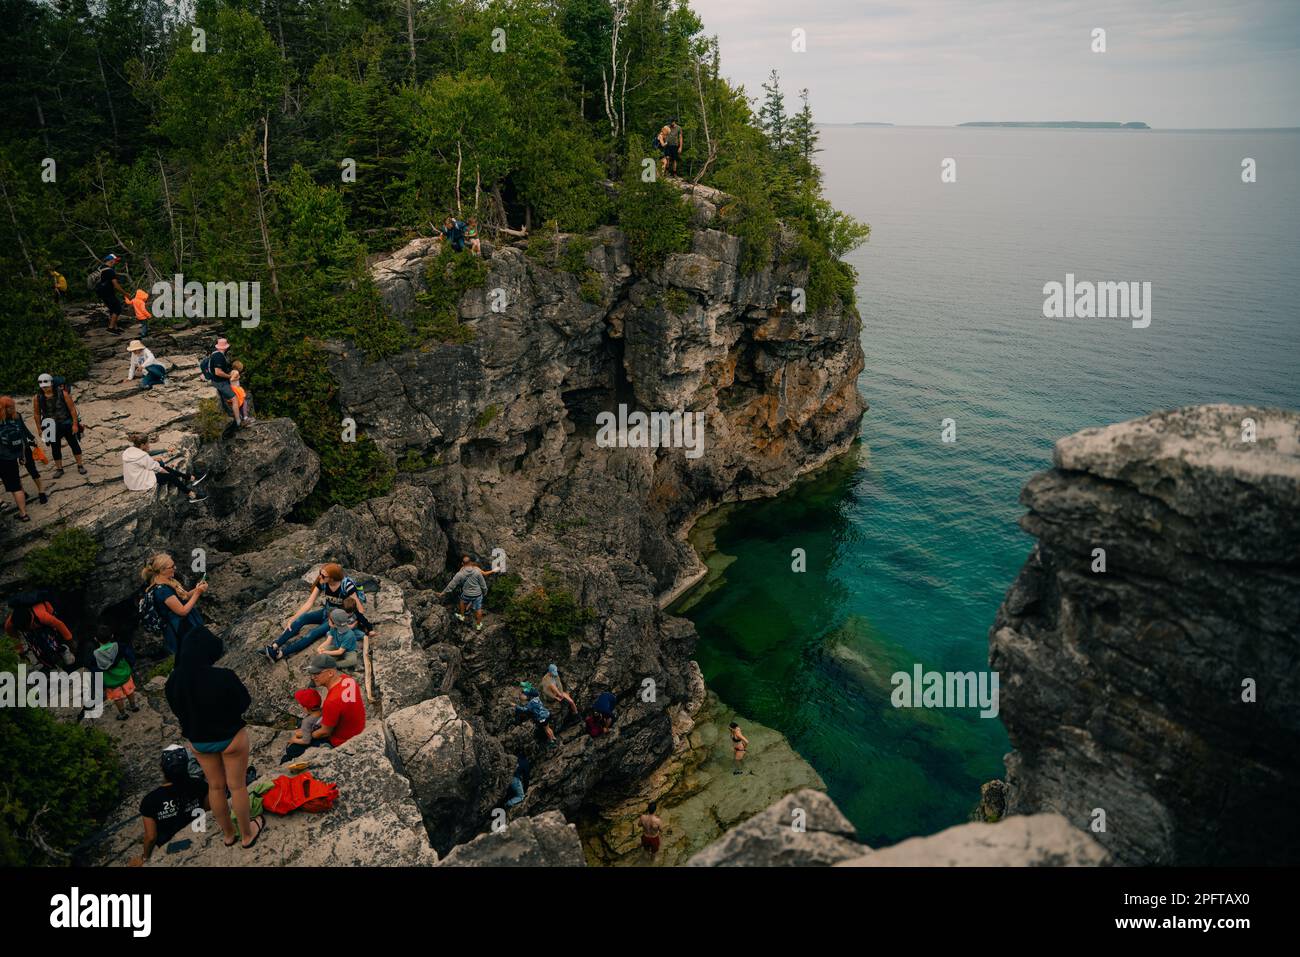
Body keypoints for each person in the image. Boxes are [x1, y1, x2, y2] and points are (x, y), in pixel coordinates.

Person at [164, 625, 265, 849]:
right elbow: (244, 704)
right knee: (237, 786)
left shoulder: (173, 682)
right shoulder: (223, 676)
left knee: (216, 787)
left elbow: (178, 711)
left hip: (200, 742)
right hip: (231, 739)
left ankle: (228, 835)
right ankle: (247, 835)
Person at [264, 563, 374, 662]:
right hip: (325, 611)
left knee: (312, 634)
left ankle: (280, 654)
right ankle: (275, 645)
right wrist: (293, 618)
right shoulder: (323, 583)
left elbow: (359, 608)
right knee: (303, 618)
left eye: (323, 575)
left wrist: (356, 624)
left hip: (335, 619)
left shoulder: (346, 585)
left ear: (332, 577)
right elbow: (309, 603)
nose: (320, 577)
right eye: (320, 574)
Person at [130, 745, 210, 865]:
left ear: (162, 769)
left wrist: (145, 858)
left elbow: (151, 837)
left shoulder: (150, 800)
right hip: (198, 833)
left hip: (170, 846)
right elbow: (207, 809)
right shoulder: (200, 785)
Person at [280, 655, 365, 763]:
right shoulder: (347, 679)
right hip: (357, 727)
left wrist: (303, 734)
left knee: (291, 749)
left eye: (317, 673)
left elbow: (325, 732)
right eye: (312, 673)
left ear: (330, 673)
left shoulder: (332, 701)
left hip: (342, 739)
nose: (313, 677)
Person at [141, 553, 208, 655]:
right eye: (171, 567)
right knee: (194, 654)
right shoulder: (162, 590)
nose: (175, 568)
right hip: (181, 629)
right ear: (162, 570)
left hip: (184, 626)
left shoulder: (169, 582)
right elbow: (182, 611)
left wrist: (197, 589)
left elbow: (184, 596)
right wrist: (198, 593)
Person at [122, 433, 208, 504]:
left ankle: (191, 478)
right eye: (148, 443)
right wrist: (168, 473)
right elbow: (158, 468)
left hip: (132, 479)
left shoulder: (129, 451)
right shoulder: (143, 456)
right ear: (142, 445)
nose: (149, 445)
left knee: (164, 467)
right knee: (169, 475)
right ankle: (192, 495)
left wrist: (155, 460)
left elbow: (140, 462)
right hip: (139, 482)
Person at [0, 396, 46, 521]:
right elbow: (23, 430)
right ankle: (41, 492)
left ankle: (22, 493)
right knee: (32, 469)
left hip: (6, 455)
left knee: (14, 474)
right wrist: (32, 439)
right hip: (23, 447)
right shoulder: (17, 415)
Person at [33, 373, 85, 477]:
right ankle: (59, 469)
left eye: (47, 387)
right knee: (55, 447)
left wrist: (75, 424)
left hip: (66, 422)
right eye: (43, 387)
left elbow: (72, 410)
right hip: (50, 425)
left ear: (52, 384)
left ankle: (80, 465)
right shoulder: (37, 398)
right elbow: (37, 413)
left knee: (74, 443)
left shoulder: (63, 394)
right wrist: (39, 429)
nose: (45, 389)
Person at [4, 594, 75, 670]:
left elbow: (59, 625)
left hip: (46, 613)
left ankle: (63, 649)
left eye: (27, 628)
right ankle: (49, 665)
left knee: (52, 637)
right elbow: (14, 638)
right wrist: (20, 651)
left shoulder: (42, 616)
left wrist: (70, 641)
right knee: (36, 645)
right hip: (32, 624)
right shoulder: (10, 625)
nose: (25, 630)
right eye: (23, 629)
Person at [436, 555, 495, 631]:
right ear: (470, 562)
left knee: (462, 601)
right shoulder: (477, 571)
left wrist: (442, 593)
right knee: (478, 609)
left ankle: (462, 616)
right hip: (477, 594)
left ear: (462, 564)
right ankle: (478, 625)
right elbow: (483, 585)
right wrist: (485, 592)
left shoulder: (460, 573)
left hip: (467, 594)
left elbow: (452, 585)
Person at [94, 636, 140, 720]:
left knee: (117, 697)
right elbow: (130, 657)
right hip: (124, 674)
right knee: (129, 690)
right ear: (111, 636)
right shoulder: (119, 646)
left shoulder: (96, 654)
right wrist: (131, 666)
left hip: (111, 681)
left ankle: (123, 714)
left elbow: (96, 670)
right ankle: (133, 706)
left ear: (96, 639)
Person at [279, 688, 324, 764]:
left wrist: (293, 740)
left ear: (305, 709)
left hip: (312, 742)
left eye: (301, 705)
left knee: (290, 749)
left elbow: (306, 741)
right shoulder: (324, 712)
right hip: (322, 738)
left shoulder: (307, 721)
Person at [203, 337, 242, 424]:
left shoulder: (215, 353)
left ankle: (232, 414)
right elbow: (218, 372)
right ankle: (238, 421)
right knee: (234, 398)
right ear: (226, 347)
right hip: (219, 382)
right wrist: (229, 376)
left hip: (218, 380)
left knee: (226, 399)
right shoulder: (219, 357)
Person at [93, 253, 127, 335]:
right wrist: (125, 293)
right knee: (117, 309)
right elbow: (116, 285)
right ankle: (111, 328)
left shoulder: (100, 268)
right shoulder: (109, 271)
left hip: (101, 292)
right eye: (115, 260)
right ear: (110, 260)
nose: (116, 262)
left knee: (112, 309)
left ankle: (115, 327)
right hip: (108, 293)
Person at [229, 360, 254, 425]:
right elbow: (231, 379)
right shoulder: (236, 372)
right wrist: (237, 378)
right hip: (236, 389)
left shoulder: (232, 371)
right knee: (244, 402)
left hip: (233, 389)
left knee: (240, 403)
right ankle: (245, 417)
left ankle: (242, 417)